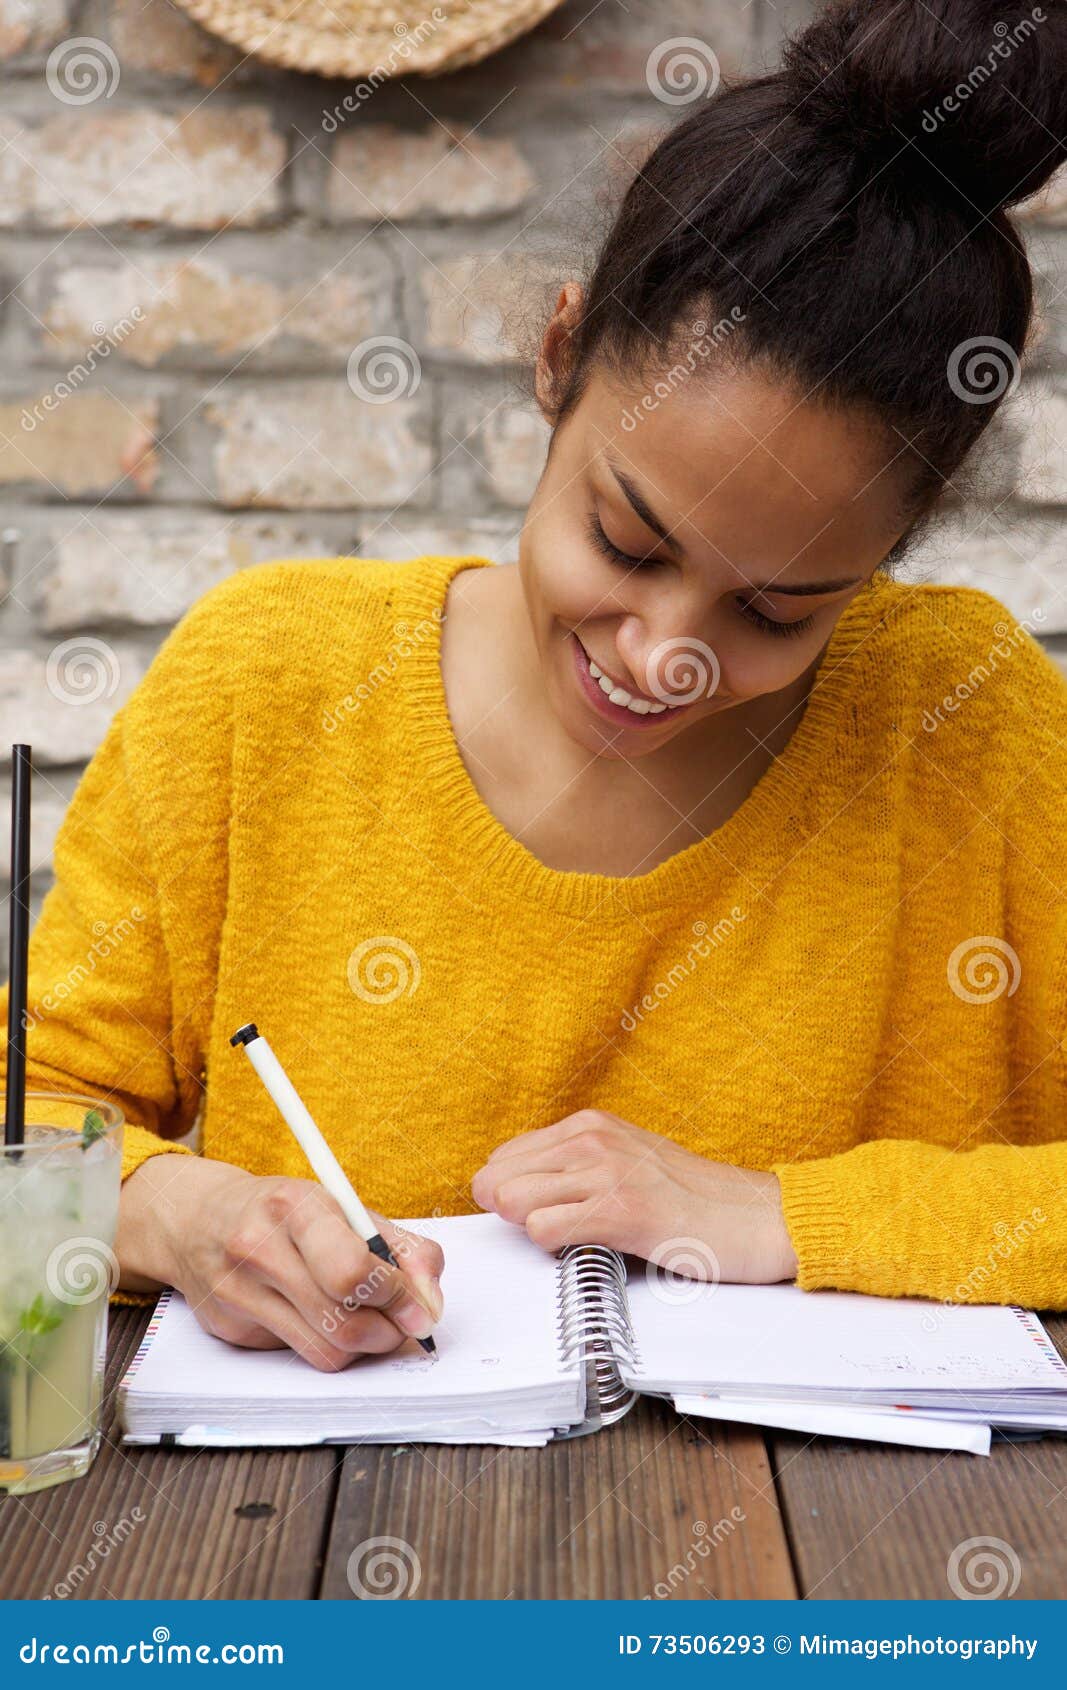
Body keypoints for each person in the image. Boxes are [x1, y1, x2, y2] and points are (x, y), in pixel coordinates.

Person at [3, 0, 1066, 1371]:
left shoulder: (966, 720)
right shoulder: (259, 686)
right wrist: (174, 1210)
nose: (662, 653)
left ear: (888, 558)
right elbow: (33, 1121)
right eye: (626, 540)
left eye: (775, 610)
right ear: (559, 355)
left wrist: (779, 1211)